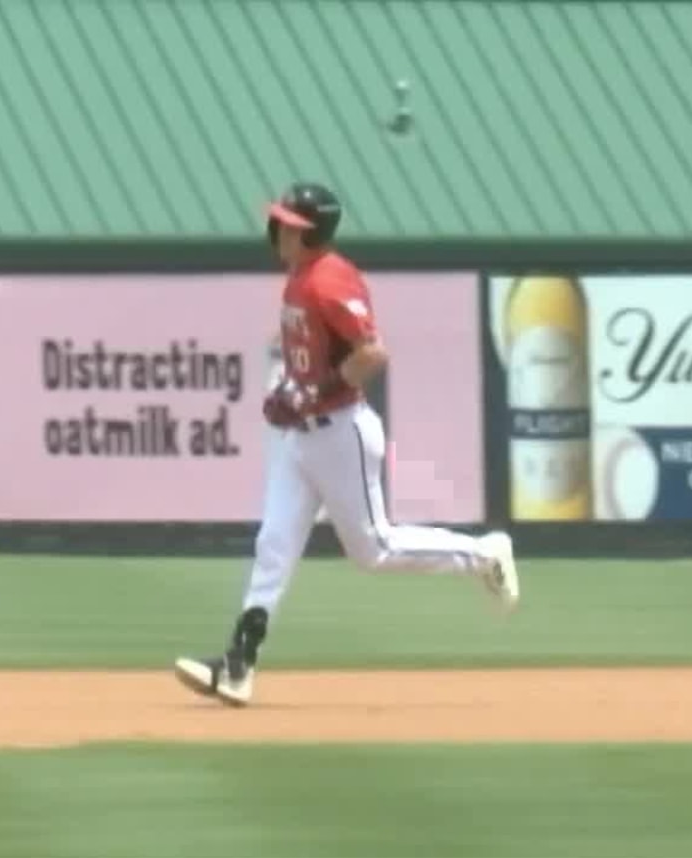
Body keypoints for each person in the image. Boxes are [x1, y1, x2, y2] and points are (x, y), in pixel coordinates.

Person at [172, 182, 521, 707]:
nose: (277, 229)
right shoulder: (298, 280)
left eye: (288, 222)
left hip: (342, 434)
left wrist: (309, 392)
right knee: (274, 545)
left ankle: (483, 553)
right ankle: (239, 665)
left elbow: (373, 353)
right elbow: (311, 357)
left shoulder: (329, 280)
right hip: (303, 438)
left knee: (374, 550)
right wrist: (289, 392)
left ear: (308, 232)